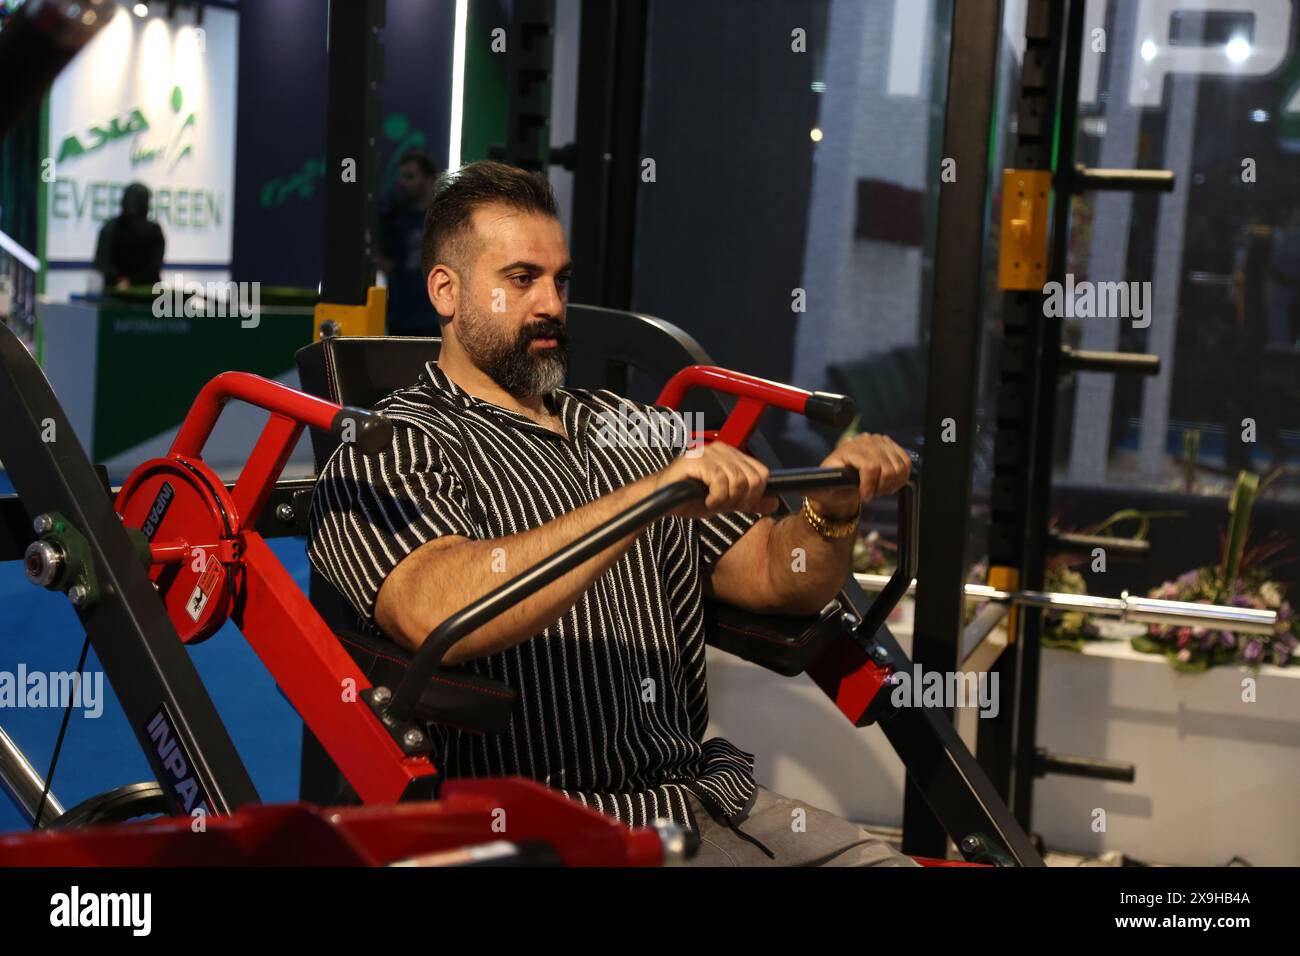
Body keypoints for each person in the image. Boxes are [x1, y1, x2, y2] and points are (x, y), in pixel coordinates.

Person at [308, 160, 916, 866]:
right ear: (446, 290)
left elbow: (779, 579)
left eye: (559, 281)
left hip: (704, 800)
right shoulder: (391, 444)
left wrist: (830, 514)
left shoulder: (628, 428)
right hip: (547, 829)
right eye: (521, 279)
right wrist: (644, 500)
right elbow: (432, 609)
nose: (551, 305)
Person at [377, 149, 440, 335]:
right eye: (402, 177)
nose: (402, 183)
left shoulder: (445, 221)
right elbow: (385, 263)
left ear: (429, 179)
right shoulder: (393, 221)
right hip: (401, 320)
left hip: (436, 319)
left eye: (410, 176)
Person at [93, 182, 164, 290]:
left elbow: (101, 263)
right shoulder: (153, 230)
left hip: (115, 292)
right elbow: (153, 268)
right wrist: (130, 281)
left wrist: (121, 280)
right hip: (145, 295)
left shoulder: (110, 227)